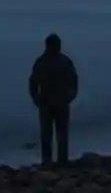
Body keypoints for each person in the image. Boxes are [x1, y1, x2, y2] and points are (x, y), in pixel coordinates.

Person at [28, 33, 78, 165]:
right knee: (49, 136)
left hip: (57, 103)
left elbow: (74, 83)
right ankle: (50, 162)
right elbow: (33, 83)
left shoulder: (62, 62)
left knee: (58, 136)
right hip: (48, 104)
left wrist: (68, 98)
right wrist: (37, 100)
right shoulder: (43, 62)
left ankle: (57, 162)